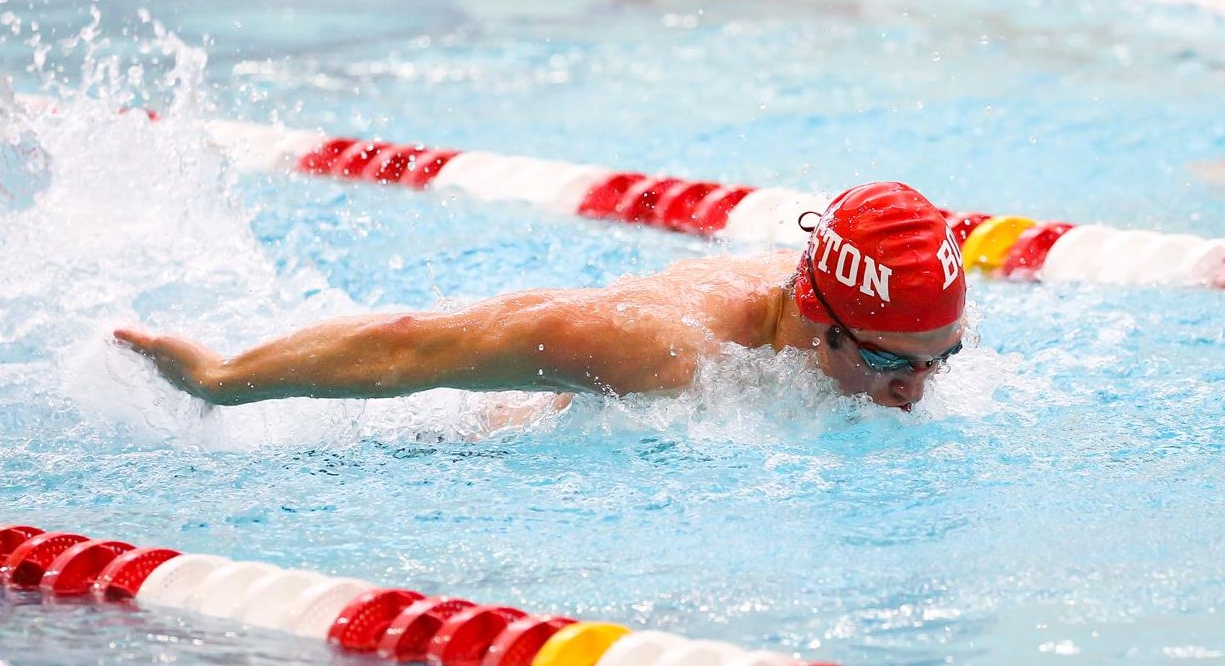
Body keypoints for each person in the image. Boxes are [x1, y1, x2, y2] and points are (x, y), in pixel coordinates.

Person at [116, 182, 966, 412]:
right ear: (820, 320)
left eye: (940, 360)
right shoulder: (665, 352)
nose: (915, 391)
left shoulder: (882, 301)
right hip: (464, 439)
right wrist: (222, 377)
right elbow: (419, 344)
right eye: (894, 363)